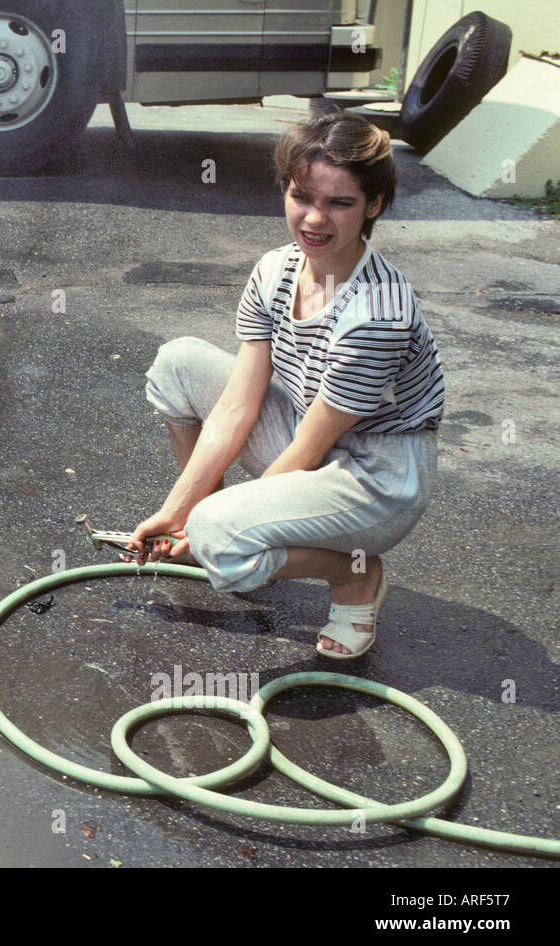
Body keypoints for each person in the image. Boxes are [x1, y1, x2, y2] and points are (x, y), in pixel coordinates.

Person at [125, 112, 444, 659]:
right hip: (307, 427)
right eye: (302, 196)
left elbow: (308, 449)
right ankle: (222, 533)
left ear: (374, 206)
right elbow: (236, 404)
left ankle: (354, 577)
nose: (314, 219)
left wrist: (224, 528)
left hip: (377, 477)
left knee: (220, 533)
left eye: (340, 203)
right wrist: (180, 508)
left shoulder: (378, 314)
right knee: (177, 363)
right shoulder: (275, 270)